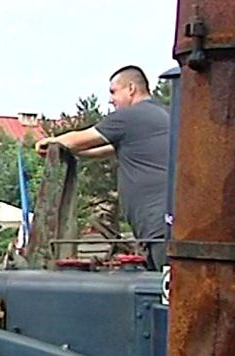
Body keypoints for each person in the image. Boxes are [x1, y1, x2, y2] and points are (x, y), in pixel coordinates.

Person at [36, 65, 170, 270]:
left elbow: (80, 139)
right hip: (163, 226)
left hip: (157, 227)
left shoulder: (131, 116)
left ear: (131, 88)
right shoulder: (160, 115)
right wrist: (72, 151)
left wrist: (49, 142)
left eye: (113, 92)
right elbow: (100, 150)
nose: (110, 99)